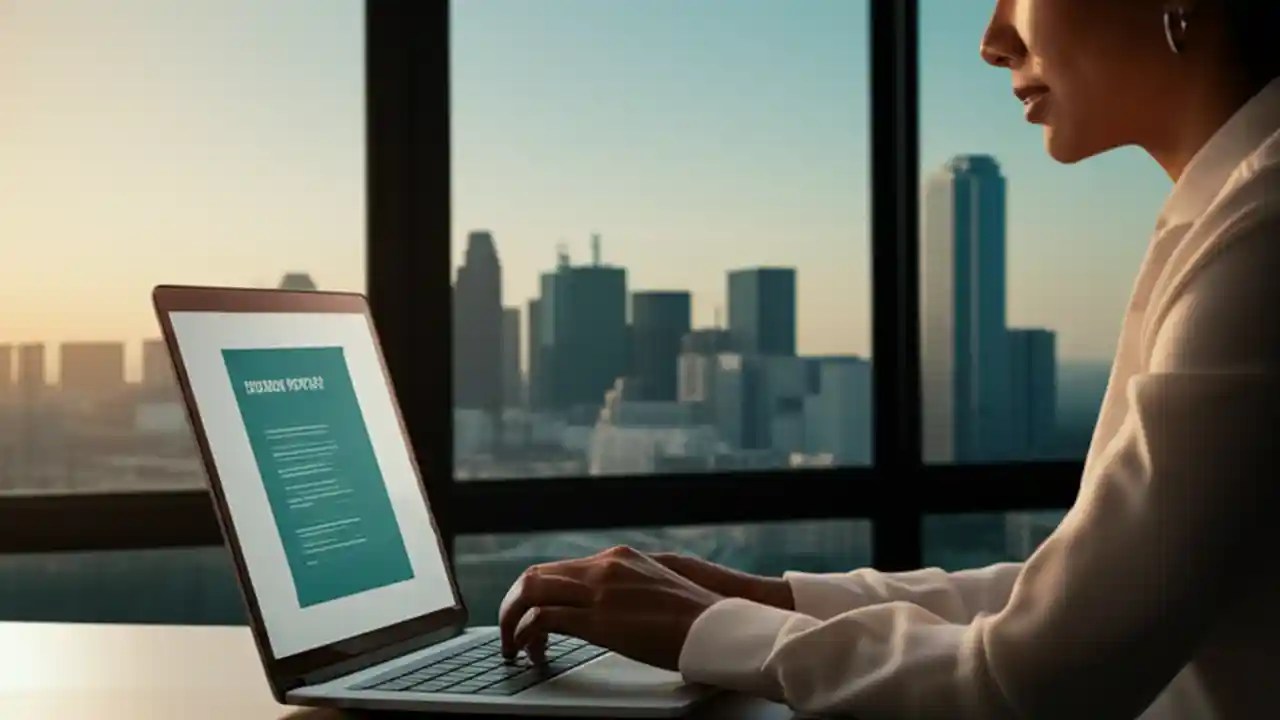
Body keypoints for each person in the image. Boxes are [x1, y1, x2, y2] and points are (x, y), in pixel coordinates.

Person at [497, 0, 1280, 717]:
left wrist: (709, 628)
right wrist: (767, 596)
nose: (992, 40)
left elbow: (1033, 677)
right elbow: (1076, 602)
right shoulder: (1230, 210)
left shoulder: (1262, 230)